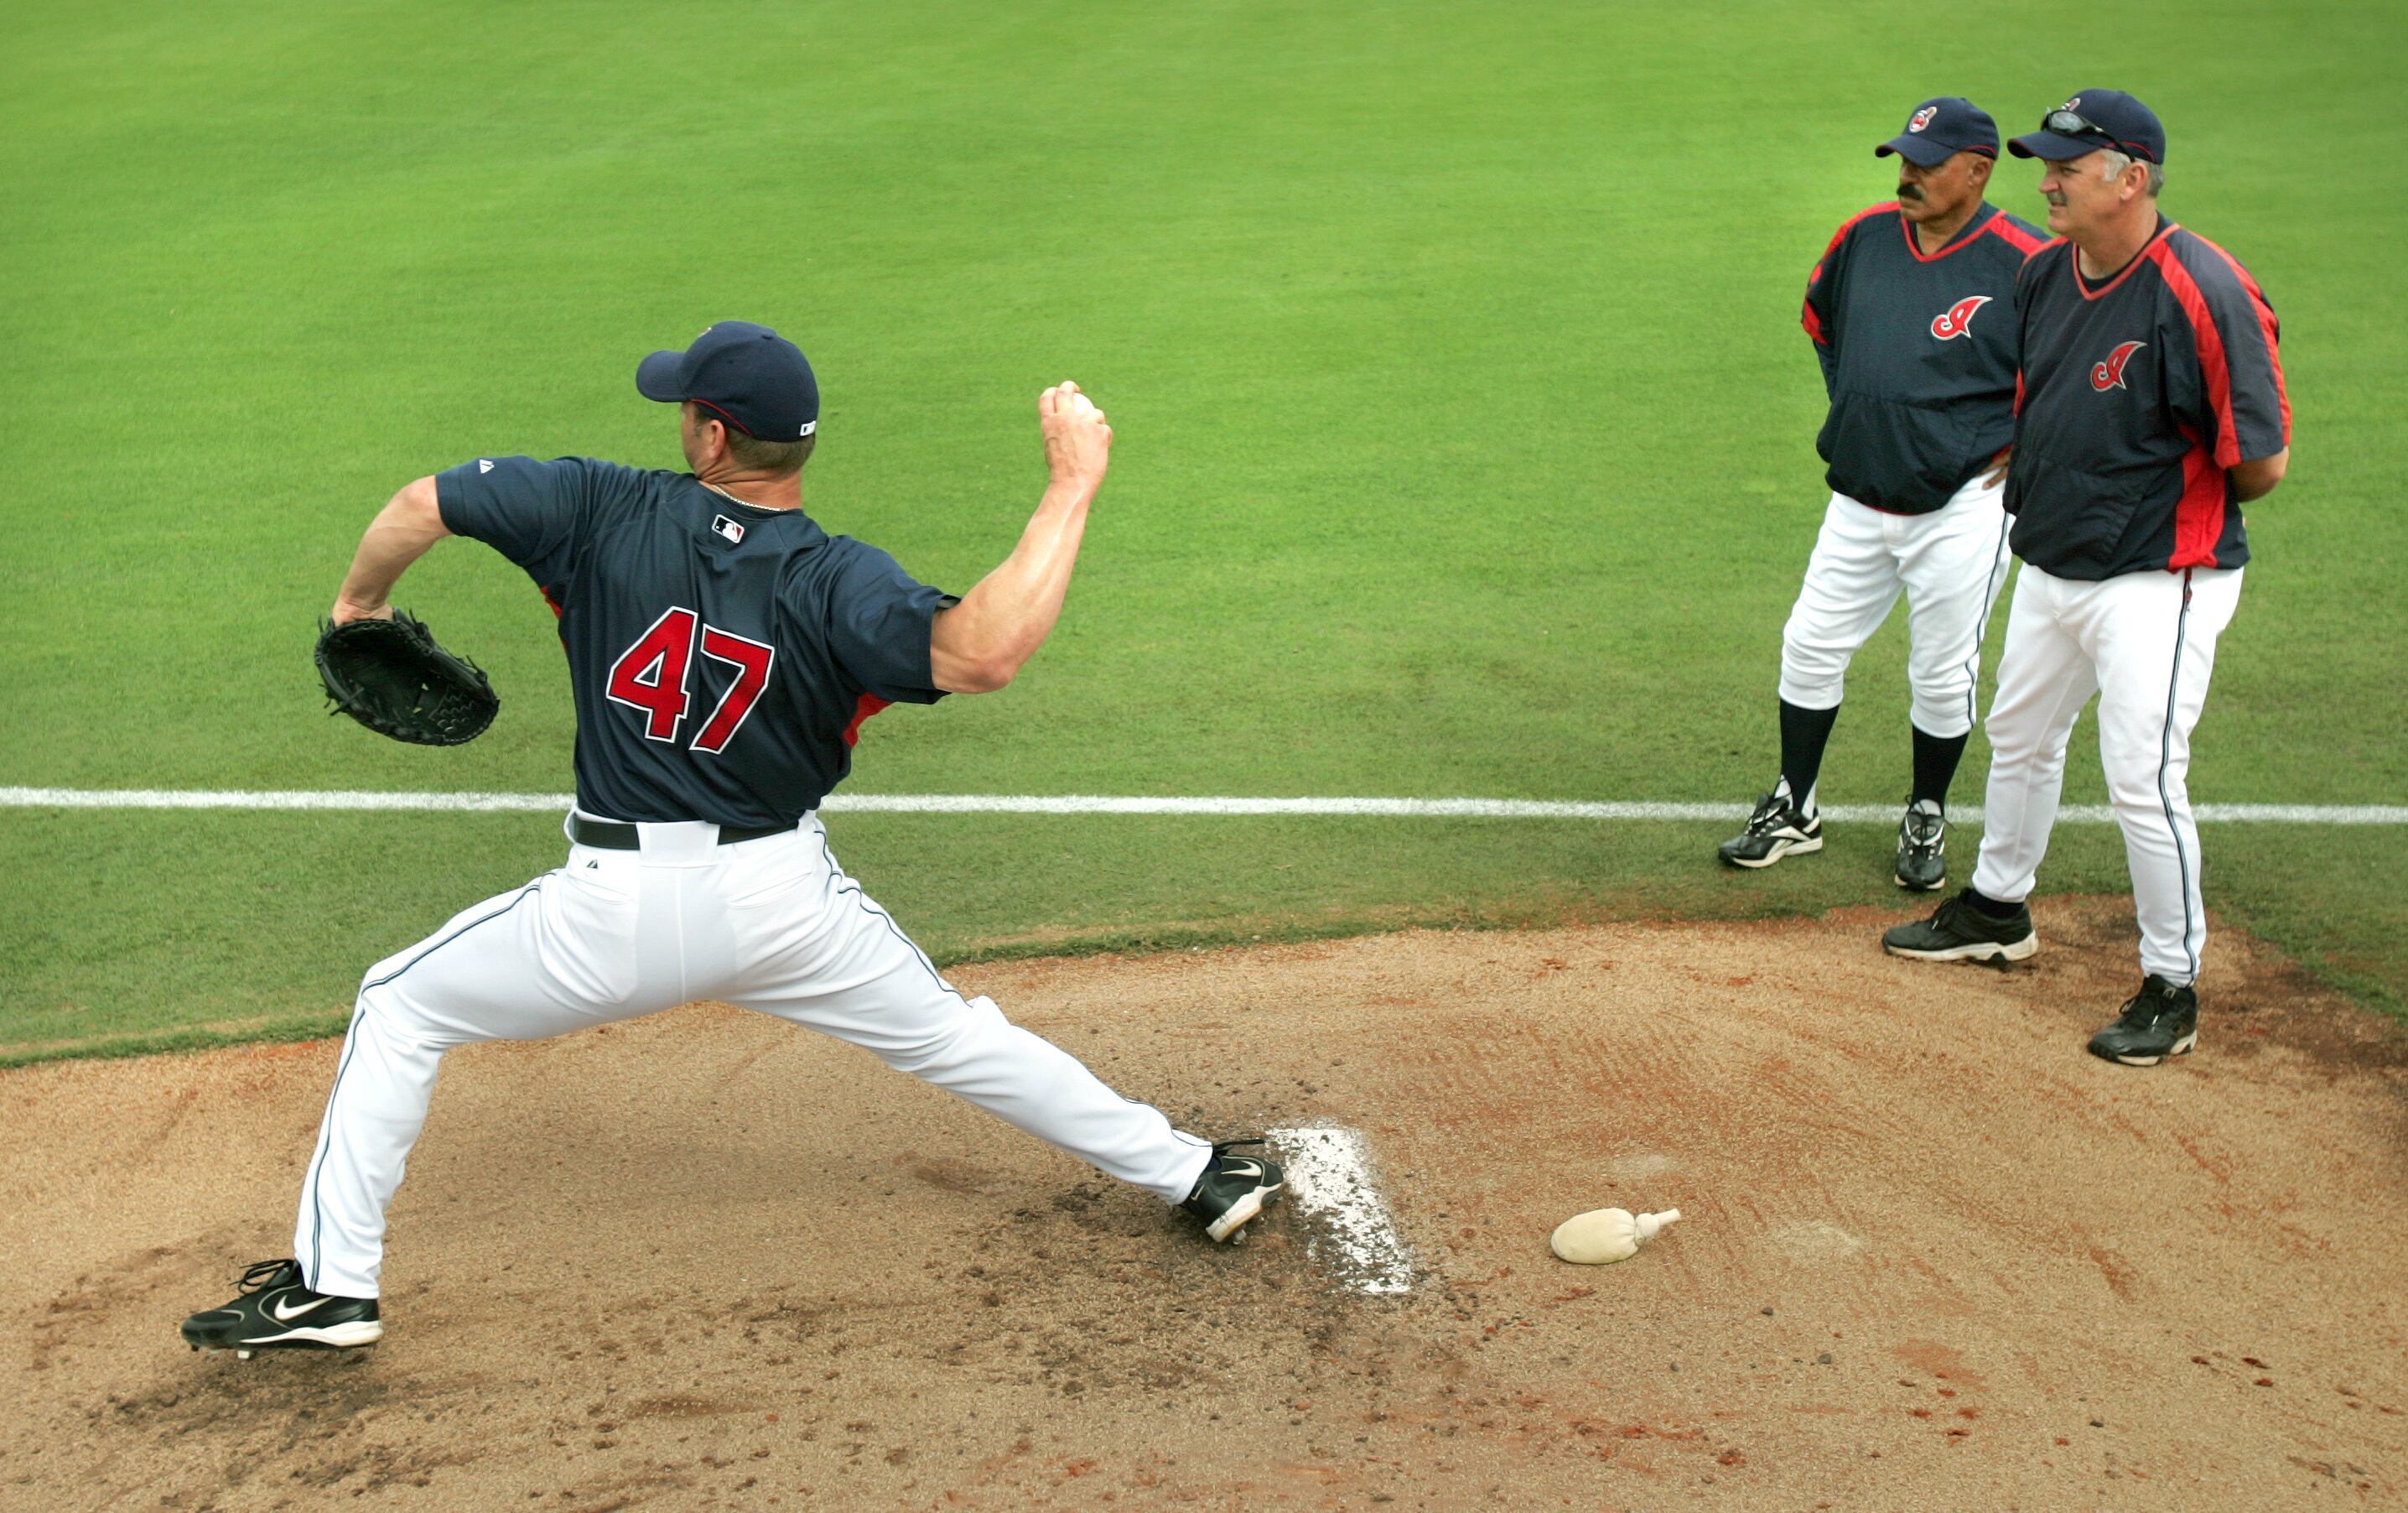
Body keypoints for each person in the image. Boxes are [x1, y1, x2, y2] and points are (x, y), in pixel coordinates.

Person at [180, 323, 1284, 1355]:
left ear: (712, 435)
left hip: (601, 917)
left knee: (400, 1002)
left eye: (685, 409)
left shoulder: (594, 506)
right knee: (959, 1038)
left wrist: (357, 607)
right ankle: (1195, 1176)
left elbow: (424, 501)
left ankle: (332, 1289)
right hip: (781, 912)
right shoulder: (836, 578)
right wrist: (1071, 486)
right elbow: (984, 653)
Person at [1881, 92, 2290, 1066]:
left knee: (2143, 780)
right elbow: (2041, 391)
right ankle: (1996, 906)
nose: (2046, 181)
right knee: (2019, 735)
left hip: (2161, 574)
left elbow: (2260, 462)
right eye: (2047, 165)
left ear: (2131, 177)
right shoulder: (2045, 275)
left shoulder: (2203, 288)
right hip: (2055, 557)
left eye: (2066, 166)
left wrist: (2153, 497)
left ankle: (2171, 984)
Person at [1721, 98, 2044, 889]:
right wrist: (1858, 410)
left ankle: (1927, 810)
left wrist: (2028, 449)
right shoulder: (1863, 238)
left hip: (1965, 502)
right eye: (1904, 157)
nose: (1909, 174)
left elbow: (2070, 366)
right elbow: (1821, 324)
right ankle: (1796, 804)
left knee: (1940, 671)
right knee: (1809, 644)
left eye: (1928, 162)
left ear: (1978, 169)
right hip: (1861, 493)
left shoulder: (2026, 262)